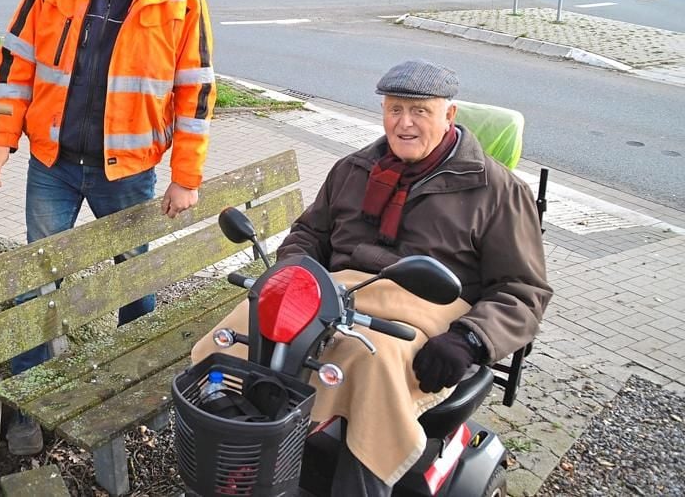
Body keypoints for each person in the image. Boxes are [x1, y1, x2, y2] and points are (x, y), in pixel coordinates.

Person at [193, 59, 550, 496]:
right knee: (233, 337)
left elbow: (523, 290)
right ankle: (236, 470)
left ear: (449, 115)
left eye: (420, 111)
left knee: (371, 366)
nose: (405, 123)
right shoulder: (353, 169)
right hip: (337, 296)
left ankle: (362, 483)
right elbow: (310, 233)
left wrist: (470, 339)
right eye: (395, 109)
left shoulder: (497, 190)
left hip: (427, 308)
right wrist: (292, 273)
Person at [0, 0, 216, 455]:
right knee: (37, 282)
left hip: (128, 172)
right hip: (53, 164)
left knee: (136, 283)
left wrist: (186, 177)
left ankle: (135, 390)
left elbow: (196, 92)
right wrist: (1, 142)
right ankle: (29, 400)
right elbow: (17, 62)